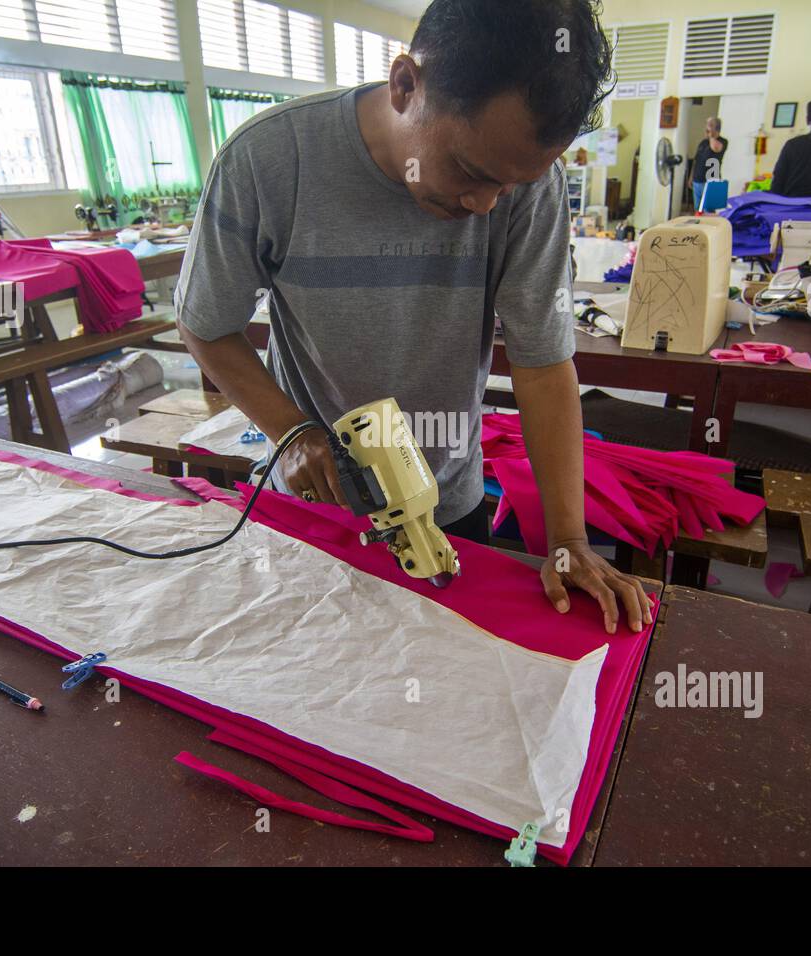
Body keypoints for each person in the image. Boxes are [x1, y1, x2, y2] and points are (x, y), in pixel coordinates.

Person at [174, 0, 653, 634]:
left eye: (508, 188)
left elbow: (542, 363)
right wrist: (292, 433)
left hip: (451, 504)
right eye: (472, 173)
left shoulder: (530, 185)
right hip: (318, 506)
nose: (485, 205)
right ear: (405, 85)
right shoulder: (269, 161)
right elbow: (206, 323)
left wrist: (567, 538)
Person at [691, 116, 727, 210]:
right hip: (697, 180)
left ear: (717, 128)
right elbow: (696, 160)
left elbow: (715, 148)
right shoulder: (703, 142)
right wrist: (691, 177)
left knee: (709, 210)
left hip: (711, 182)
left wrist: (711, 136)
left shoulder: (722, 141)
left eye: (710, 125)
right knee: (698, 209)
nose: (707, 128)